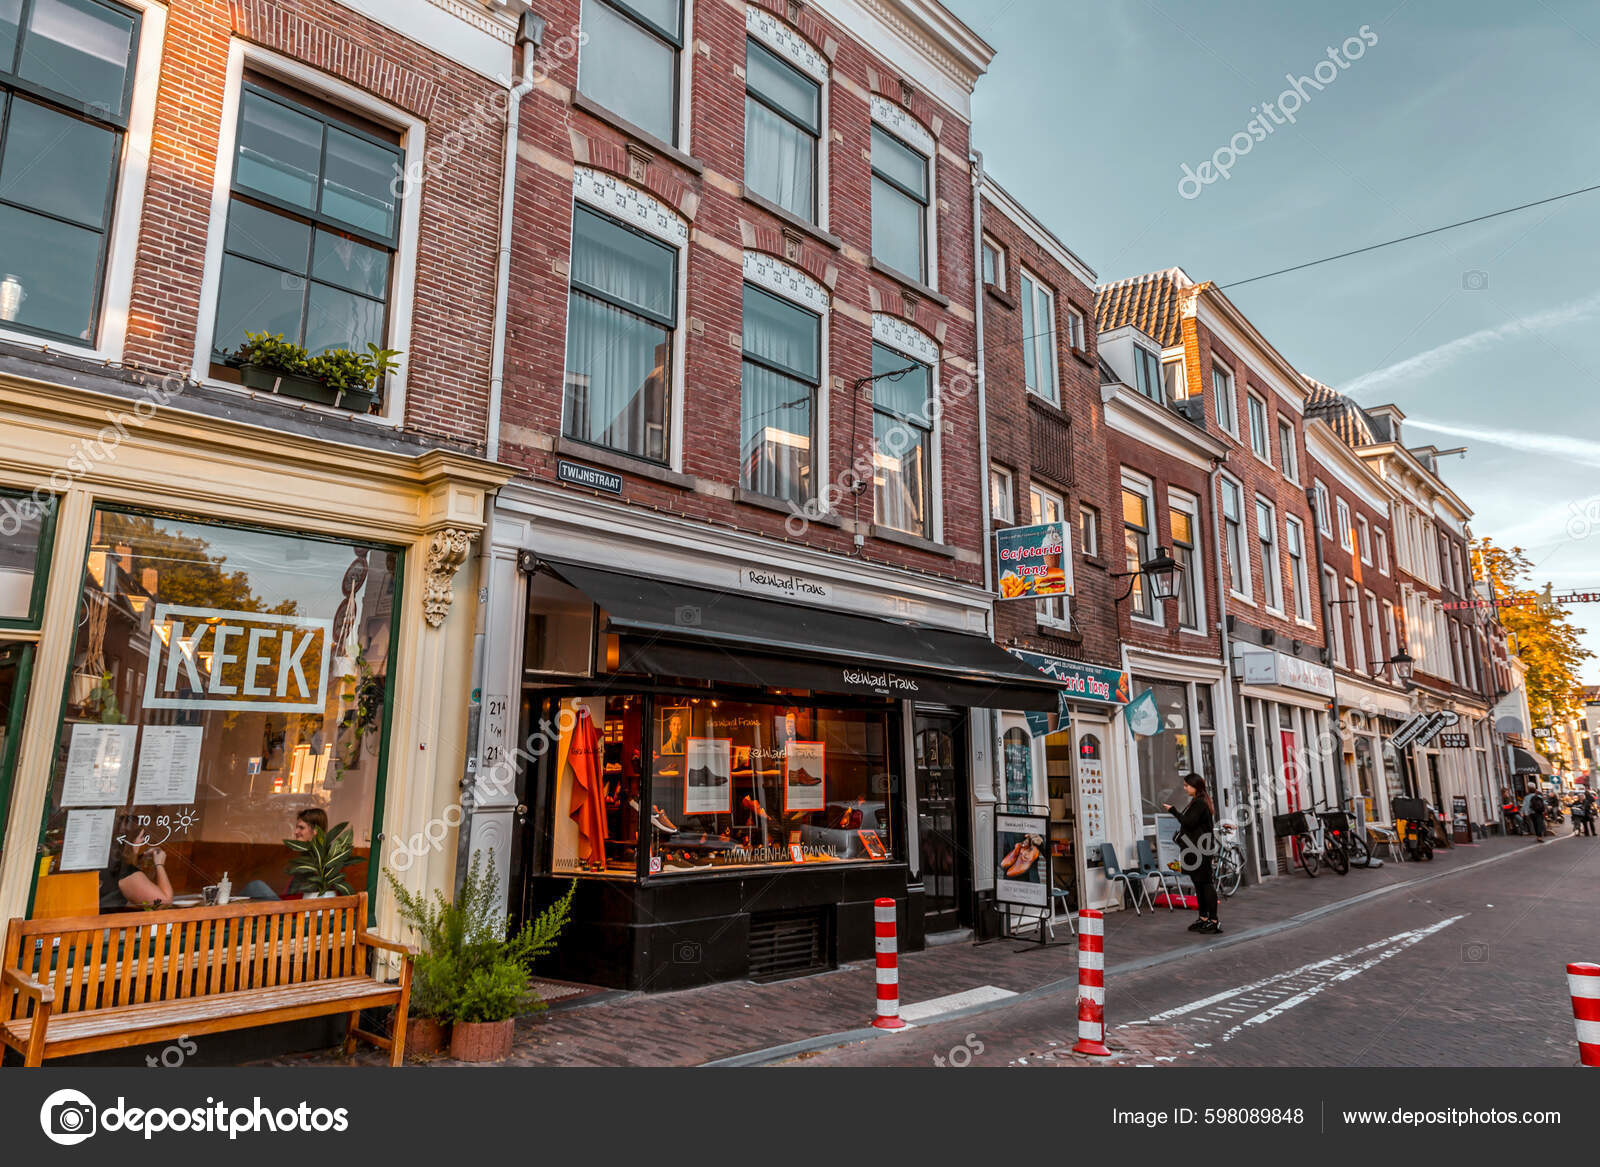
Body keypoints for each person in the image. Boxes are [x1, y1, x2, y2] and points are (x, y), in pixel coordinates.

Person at [1164, 772, 1220, 935]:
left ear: (1195, 787)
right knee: (1199, 884)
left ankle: (1214, 920)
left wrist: (1173, 811)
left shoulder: (1200, 804)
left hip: (1199, 850)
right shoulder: (1197, 802)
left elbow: (1188, 822)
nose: (1185, 788)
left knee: (1205, 884)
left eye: (1187, 785)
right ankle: (1203, 918)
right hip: (1194, 850)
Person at [240, 807, 329, 900]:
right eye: (296, 827)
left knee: (256, 886)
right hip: (289, 906)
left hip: (295, 911)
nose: (296, 832)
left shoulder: (321, 858)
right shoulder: (306, 854)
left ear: (316, 831)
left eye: (301, 828)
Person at [99, 815, 172, 910]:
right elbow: (163, 903)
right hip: (108, 923)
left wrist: (138, 859)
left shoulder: (107, 863)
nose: (143, 841)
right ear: (131, 841)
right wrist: (159, 865)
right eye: (142, 836)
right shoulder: (124, 872)